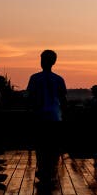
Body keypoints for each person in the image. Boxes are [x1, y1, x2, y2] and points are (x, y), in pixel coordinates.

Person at [26, 49, 67, 186]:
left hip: (39, 116)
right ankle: (51, 173)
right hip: (55, 117)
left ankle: (43, 173)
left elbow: (30, 98)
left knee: (41, 147)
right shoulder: (59, 79)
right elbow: (63, 99)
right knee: (53, 147)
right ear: (54, 62)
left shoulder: (34, 78)